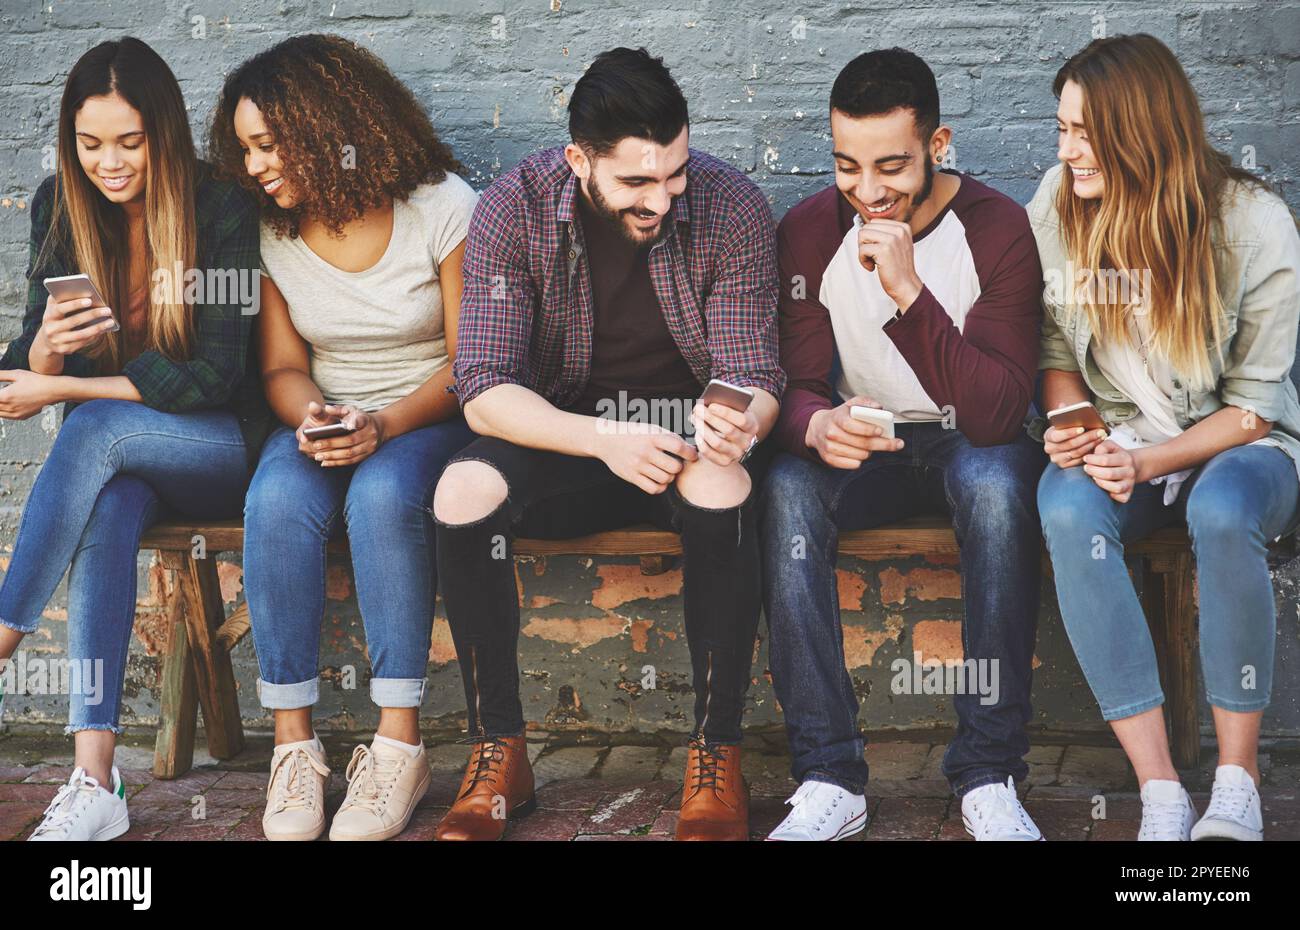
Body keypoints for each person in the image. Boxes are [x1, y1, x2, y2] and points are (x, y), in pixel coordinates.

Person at [431, 47, 785, 841]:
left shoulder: (730, 206)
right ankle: (500, 750)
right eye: (636, 182)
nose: (661, 198)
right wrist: (600, 438)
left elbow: (755, 371)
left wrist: (743, 420)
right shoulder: (511, 209)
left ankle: (716, 751)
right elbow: (483, 386)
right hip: (563, 429)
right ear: (578, 161)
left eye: (676, 173)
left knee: (725, 487)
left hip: (681, 436)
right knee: (461, 491)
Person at [761, 48, 1048, 841]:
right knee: (784, 488)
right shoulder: (811, 229)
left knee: (997, 489)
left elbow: (995, 410)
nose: (868, 190)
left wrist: (907, 292)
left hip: (969, 442)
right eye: (847, 166)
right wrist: (814, 422)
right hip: (868, 445)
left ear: (939, 144)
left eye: (892, 165)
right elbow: (789, 381)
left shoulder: (996, 228)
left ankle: (988, 773)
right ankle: (830, 774)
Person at [210, 34, 479, 841]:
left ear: (333, 125)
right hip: (325, 417)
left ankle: (398, 744)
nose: (256, 165)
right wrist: (314, 418)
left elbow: (472, 365)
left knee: (385, 494)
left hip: (425, 414)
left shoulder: (441, 206)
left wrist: (385, 424)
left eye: (270, 144)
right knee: (276, 499)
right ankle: (295, 750)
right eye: (246, 148)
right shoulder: (268, 231)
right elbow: (284, 367)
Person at [1034, 33, 1300, 841]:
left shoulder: (1251, 224)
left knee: (1222, 511)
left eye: (1085, 132)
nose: (1068, 151)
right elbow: (1052, 352)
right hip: (1120, 436)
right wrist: (1073, 426)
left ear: (1142, 131)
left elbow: (1254, 406)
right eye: (1062, 128)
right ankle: (1160, 791)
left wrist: (1147, 460)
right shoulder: (1057, 204)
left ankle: (1236, 781)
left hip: (1239, 447)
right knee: (1069, 511)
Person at [0, 37, 267, 841]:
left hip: (226, 448)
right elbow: (25, 361)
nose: (109, 164)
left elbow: (216, 379)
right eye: (90, 145)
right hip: (125, 452)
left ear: (164, 133)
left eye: (130, 142)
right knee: (109, 502)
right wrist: (43, 354)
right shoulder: (61, 204)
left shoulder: (221, 206)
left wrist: (63, 384)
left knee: (94, 427)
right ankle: (95, 780)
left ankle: (4, 634)